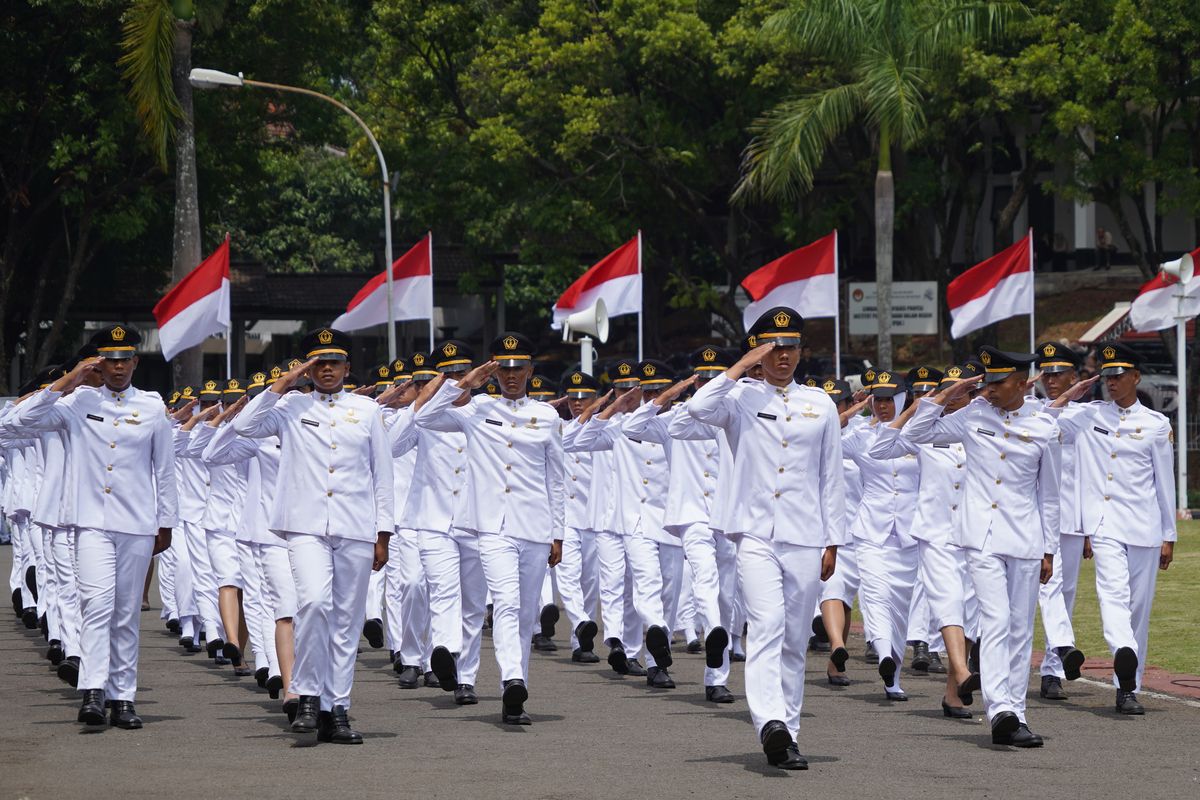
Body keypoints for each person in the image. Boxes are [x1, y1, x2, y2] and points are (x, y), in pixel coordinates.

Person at [688, 307, 844, 771]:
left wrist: (832, 540)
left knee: (795, 639)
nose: (783, 356)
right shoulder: (737, 398)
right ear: (758, 352)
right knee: (767, 625)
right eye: (773, 348)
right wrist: (737, 367)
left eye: (790, 346)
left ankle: (788, 733)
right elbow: (698, 408)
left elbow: (830, 476)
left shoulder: (821, 403)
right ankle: (770, 721)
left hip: (805, 533)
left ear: (801, 351)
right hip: (754, 533)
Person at [12, 325, 177, 730]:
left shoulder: (152, 406)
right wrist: (70, 379)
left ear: (135, 362)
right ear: (97, 362)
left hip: (136, 523)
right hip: (90, 522)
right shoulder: (77, 401)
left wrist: (166, 522)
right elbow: (18, 420)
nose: (117, 368)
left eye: (124, 360)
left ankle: (123, 697)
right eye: (109, 361)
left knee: (124, 613)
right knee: (96, 605)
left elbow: (165, 470)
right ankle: (92, 691)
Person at [234, 328, 393, 744]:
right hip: (305, 525)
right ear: (308, 367)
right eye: (318, 362)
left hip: (356, 525)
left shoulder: (368, 409)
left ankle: (336, 707)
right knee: (313, 604)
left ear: (347, 367)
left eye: (334, 362)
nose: (326, 369)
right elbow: (243, 427)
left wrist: (384, 533)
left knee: (346, 620)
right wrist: (284, 382)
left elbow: (383, 477)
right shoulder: (289, 406)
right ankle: (306, 696)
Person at [904, 345, 1060, 748]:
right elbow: (916, 434)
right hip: (980, 536)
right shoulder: (973, 415)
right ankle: (1001, 711)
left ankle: (1016, 711)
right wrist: (944, 394)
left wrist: (1049, 548)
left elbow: (1050, 495)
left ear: (1022, 383)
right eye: (985, 383)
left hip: (1025, 536)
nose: (988, 391)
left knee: (1021, 627)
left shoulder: (1044, 425)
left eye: (997, 383)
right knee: (995, 620)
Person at [414, 332, 565, 725]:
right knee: (506, 604)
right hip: (491, 526)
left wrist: (558, 532)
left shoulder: (548, 416)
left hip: (533, 525)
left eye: (518, 369)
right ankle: (511, 677)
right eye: (504, 369)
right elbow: (423, 417)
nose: (511, 376)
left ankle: (515, 694)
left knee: (527, 609)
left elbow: (557, 480)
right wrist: (465, 383)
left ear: (530, 371)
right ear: (494, 372)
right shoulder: (477, 408)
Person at [1047, 342, 1176, 715]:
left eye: (1119, 376)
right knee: (1112, 594)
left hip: (1146, 526)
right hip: (1103, 524)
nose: (1112, 383)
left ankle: (1127, 686)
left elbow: (1164, 484)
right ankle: (1123, 654)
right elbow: (1047, 418)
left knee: (1139, 606)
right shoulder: (1088, 415)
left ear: (1136, 377)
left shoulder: (1155, 424)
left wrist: (1169, 535)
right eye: (1106, 377)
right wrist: (1075, 389)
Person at [872, 363, 984, 718]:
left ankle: (953, 693)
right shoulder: (926, 427)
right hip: (934, 531)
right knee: (949, 602)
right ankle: (964, 672)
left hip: (973, 532)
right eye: (946, 390)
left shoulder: (982, 425)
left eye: (959, 391)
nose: (952, 398)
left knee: (971, 612)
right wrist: (922, 405)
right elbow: (881, 448)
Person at [1031, 342, 1088, 700]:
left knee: (1065, 593)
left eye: (1058, 374)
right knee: (1048, 586)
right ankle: (1064, 648)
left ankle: (1051, 671)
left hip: (1072, 517)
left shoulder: (1085, 416)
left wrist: (1089, 528)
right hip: (1036, 517)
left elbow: (1090, 474)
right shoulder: (1029, 411)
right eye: (1046, 373)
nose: (1052, 380)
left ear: (1074, 377)